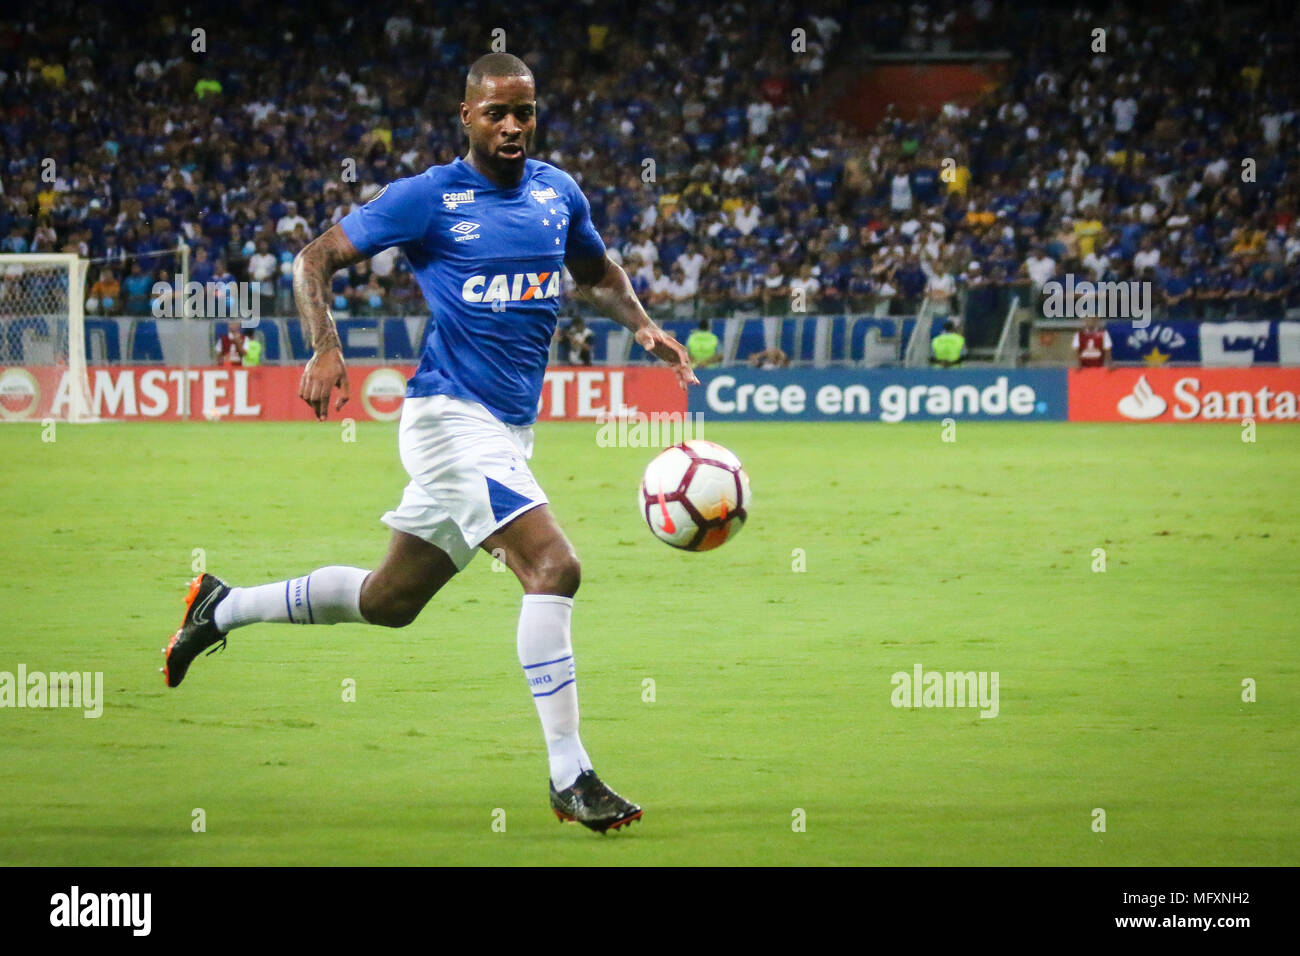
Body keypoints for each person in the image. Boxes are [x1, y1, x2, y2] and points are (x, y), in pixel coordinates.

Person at [161, 54, 696, 834]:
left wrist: (642, 322)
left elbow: (597, 271)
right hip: (447, 420)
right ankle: (569, 774)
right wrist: (324, 347)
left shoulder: (557, 193)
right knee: (555, 566)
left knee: (390, 602)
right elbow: (314, 259)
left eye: (525, 112)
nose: (512, 125)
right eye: (496, 113)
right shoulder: (428, 198)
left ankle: (221, 607)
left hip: (507, 431)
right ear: (467, 117)